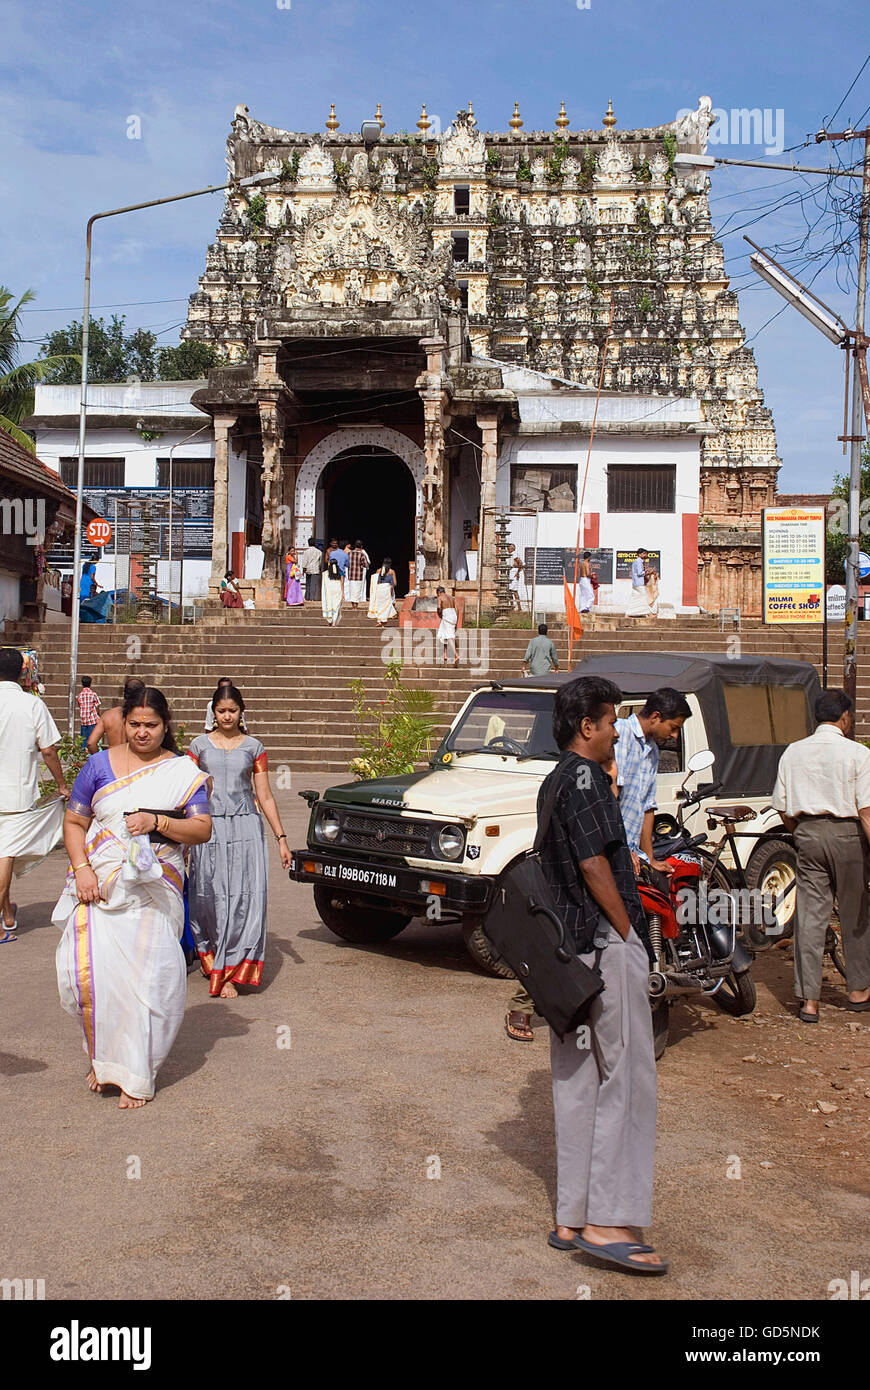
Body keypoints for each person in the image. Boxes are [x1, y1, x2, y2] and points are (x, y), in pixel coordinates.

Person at [541, 676, 664, 1274]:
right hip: (603, 947)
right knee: (628, 1078)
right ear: (586, 726)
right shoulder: (588, 779)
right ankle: (609, 1221)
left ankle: (572, 1215)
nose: (618, 731)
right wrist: (627, 933)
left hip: (567, 960)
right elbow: (595, 863)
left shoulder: (553, 780)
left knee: (577, 1082)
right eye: (611, 722)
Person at [52, 686, 212, 1107]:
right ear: (123, 723)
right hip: (100, 887)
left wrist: (156, 820)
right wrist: (83, 870)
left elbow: (201, 829)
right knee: (97, 979)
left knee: (149, 980)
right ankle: (105, 1061)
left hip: (154, 889)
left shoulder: (181, 770)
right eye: (135, 724)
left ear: (166, 726)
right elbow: (74, 823)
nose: (142, 733)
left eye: (151, 725)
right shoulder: (98, 766)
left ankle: (136, 1073)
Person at [772, 688, 870, 1022]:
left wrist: (801, 830)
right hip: (849, 835)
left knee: (810, 918)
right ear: (845, 717)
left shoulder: (793, 752)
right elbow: (866, 811)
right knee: (855, 914)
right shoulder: (858, 754)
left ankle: (809, 1001)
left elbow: (783, 807)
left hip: (808, 833)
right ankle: (858, 990)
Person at [187, 683, 290, 998]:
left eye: (232, 711)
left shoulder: (254, 747)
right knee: (207, 896)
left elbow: (265, 796)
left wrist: (281, 838)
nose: (227, 716)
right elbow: (188, 792)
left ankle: (231, 972)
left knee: (243, 898)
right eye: (221, 711)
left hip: (246, 829)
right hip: (207, 828)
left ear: (242, 712)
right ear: (213, 712)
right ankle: (213, 955)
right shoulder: (198, 746)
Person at [0, 647, 69, 942]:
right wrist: (62, 784)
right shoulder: (31, 705)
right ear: (23, 673)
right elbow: (50, 750)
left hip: (15, 796)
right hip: (15, 796)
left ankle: (8, 914)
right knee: (5, 857)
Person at [614, 688, 692, 873]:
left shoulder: (652, 750)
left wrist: (649, 859)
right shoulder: (620, 733)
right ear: (656, 717)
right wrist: (619, 848)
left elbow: (647, 807)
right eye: (673, 728)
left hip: (630, 856)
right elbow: (610, 798)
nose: (674, 736)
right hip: (610, 851)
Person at [86, 677, 147, 754]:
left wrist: (101, 761)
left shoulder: (108, 715)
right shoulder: (143, 716)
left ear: (124, 694)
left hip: (112, 759)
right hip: (133, 760)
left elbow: (91, 743)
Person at [322, 538, 346, 626]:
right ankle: (334, 622)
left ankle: (330, 620)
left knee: (330, 604)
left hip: (330, 589)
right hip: (337, 588)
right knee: (336, 605)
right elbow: (342, 581)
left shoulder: (327, 573)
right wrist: (343, 592)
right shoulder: (340, 571)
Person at [368, 556, 397, 626]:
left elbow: (375, 582)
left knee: (379, 605)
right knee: (387, 605)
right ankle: (383, 621)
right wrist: (391, 590)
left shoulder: (378, 571)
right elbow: (395, 583)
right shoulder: (392, 571)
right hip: (388, 589)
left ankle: (380, 621)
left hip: (379, 590)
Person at [435, 586, 459, 665]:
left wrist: (439, 615)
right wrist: (456, 621)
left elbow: (439, 608)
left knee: (449, 636)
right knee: (443, 632)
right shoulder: (451, 598)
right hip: (453, 615)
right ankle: (445, 653)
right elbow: (457, 609)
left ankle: (456, 655)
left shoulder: (440, 597)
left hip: (447, 615)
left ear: (438, 592)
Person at [77, 676, 101, 749]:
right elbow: (97, 706)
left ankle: (83, 754)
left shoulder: (80, 695)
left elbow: (79, 706)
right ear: (90, 684)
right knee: (92, 739)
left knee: (83, 739)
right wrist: (99, 716)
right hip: (92, 719)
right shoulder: (93, 694)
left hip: (83, 720)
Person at [626, 549, 651, 618]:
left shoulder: (637, 561)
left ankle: (629, 613)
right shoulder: (639, 562)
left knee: (635, 598)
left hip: (635, 583)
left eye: (646, 554)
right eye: (644, 553)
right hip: (639, 583)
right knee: (644, 597)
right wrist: (647, 572)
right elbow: (640, 573)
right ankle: (648, 613)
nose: (645, 555)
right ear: (639, 554)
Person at [346, 540, 371, 608]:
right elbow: (366, 564)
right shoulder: (361, 554)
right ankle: (356, 606)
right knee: (357, 590)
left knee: (352, 590)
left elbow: (346, 563)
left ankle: (352, 605)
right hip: (359, 575)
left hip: (351, 574)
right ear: (361, 547)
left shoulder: (349, 554)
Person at [299, 537, 323, 602]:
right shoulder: (319, 552)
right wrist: (319, 568)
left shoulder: (306, 552)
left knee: (308, 584)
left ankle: (307, 597)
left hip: (308, 569)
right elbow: (320, 562)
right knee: (313, 584)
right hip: (315, 569)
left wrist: (303, 571)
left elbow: (304, 562)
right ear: (315, 543)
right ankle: (312, 598)